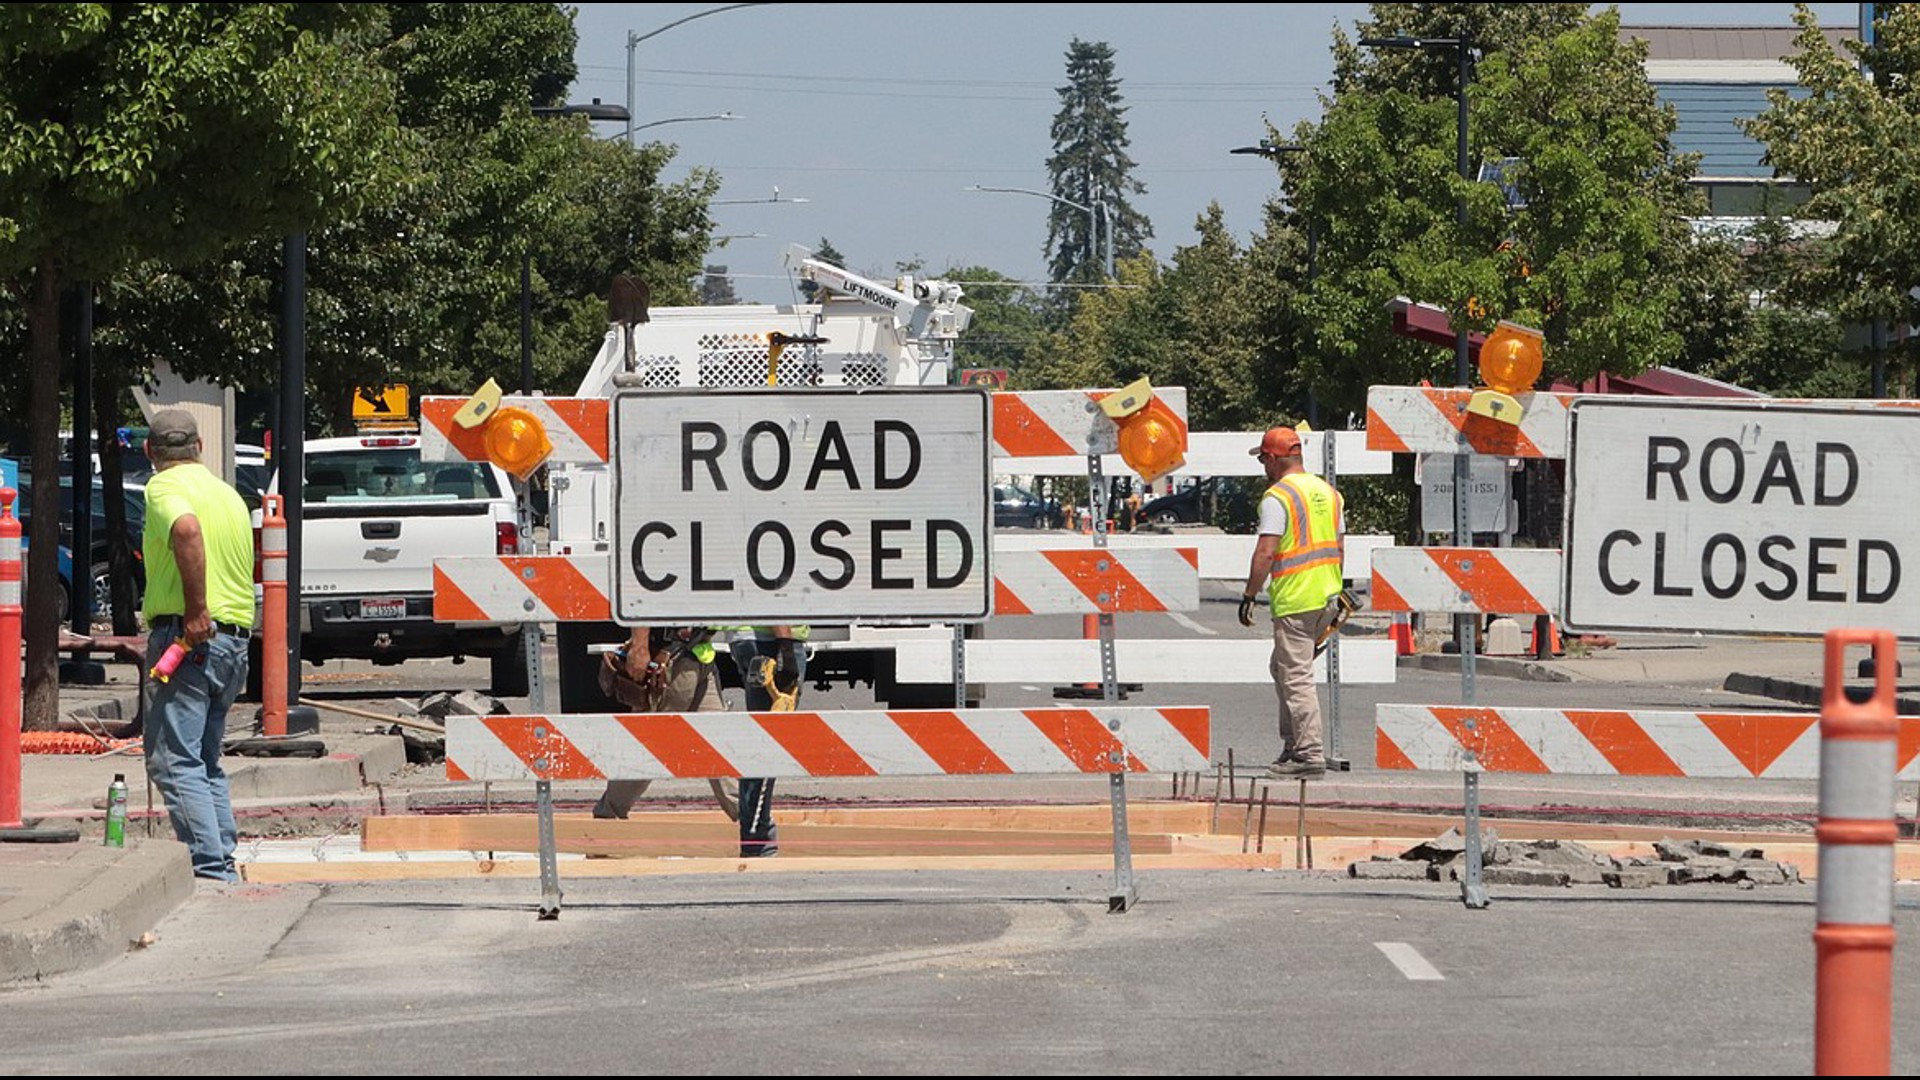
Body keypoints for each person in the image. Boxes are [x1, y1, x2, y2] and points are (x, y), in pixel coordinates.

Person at [139, 409, 256, 882]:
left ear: (150, 452)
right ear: (200, 447)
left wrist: (194, 610)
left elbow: (186, 531)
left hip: (191, 640)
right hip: (232, 645)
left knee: (173, 759)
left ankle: (211, 869)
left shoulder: (164, 487)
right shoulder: (227, 495)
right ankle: (222, 856)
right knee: (203, 759)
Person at [1237, 426, 1345, 780]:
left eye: (1263, 460)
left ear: (1272, 458)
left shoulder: (1277, 497)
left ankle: (1308, 753)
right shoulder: (1329, 493)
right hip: (1327, 597)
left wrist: (1250, 594)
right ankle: (1293, 744)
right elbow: (1339, 548)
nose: (1263, 467)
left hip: (1297, 599)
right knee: (1282, 668)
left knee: (1296, 676)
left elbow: (1266, 552)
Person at [590, 625, 739, 826]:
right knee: (651, 748)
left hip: (700, 655)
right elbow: (640, 601)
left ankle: (750, 822)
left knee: (718, 745)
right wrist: (640, 647)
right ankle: (607, 820)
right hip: (671, 657)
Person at [725, 625, 806, 857]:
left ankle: (756, 837)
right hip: (771, 639)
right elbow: (776, 591)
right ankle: (757, 841)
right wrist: (786, 645)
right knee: (768, 745)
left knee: (765, 742)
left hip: (758, 638)